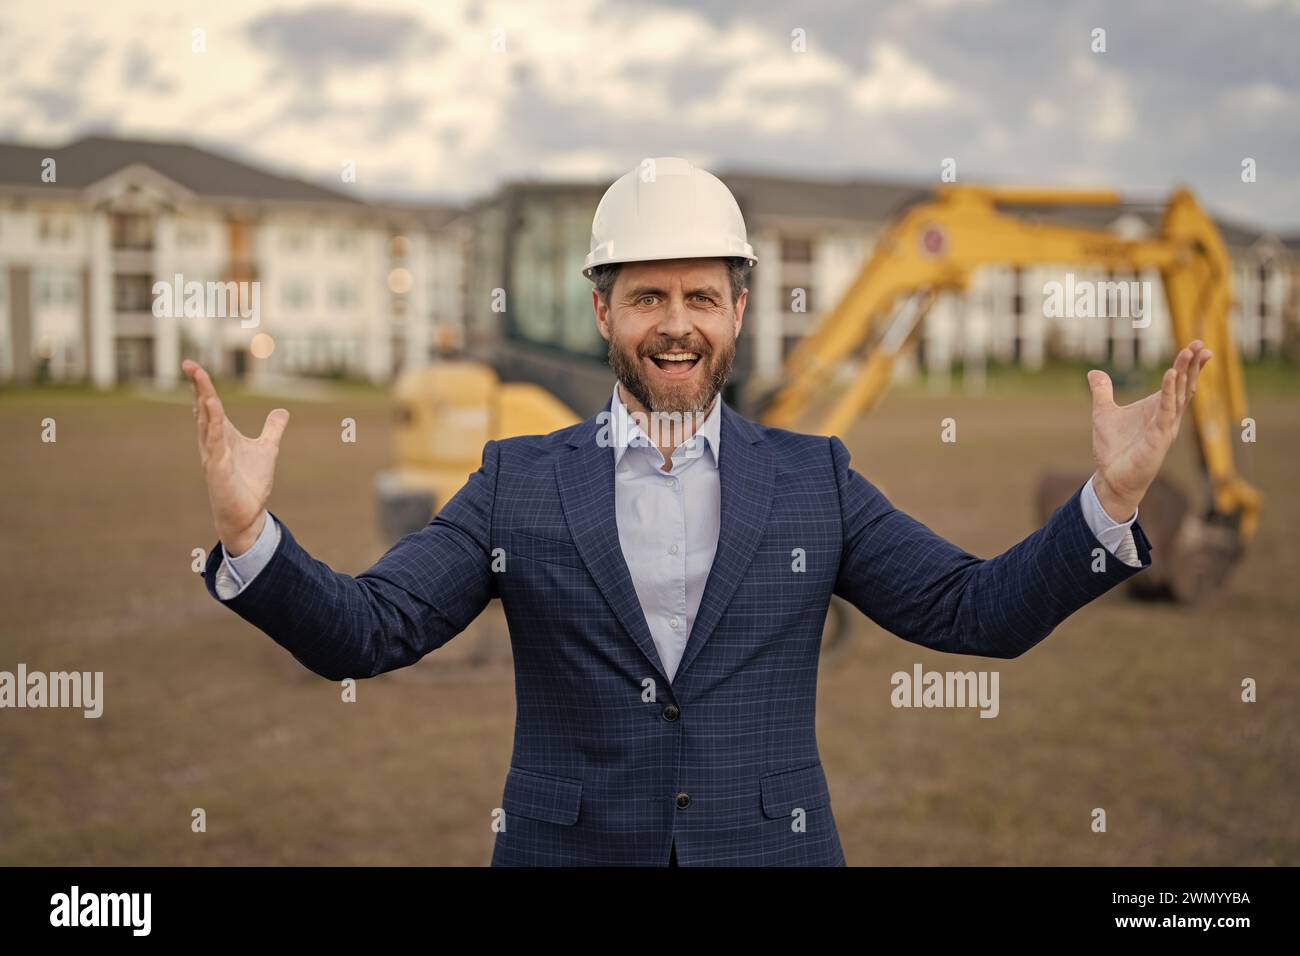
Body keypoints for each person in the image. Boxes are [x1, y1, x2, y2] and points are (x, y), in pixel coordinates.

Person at [184, 157, 1210, 867]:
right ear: (603, 310)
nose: (675, 326)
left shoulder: (815, 477)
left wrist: (1109, 501)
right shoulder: (514, 481)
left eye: (700, 298)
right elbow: (369, 629)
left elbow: (973, 609)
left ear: (739, 311)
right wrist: (249, 537)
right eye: (647, 297)